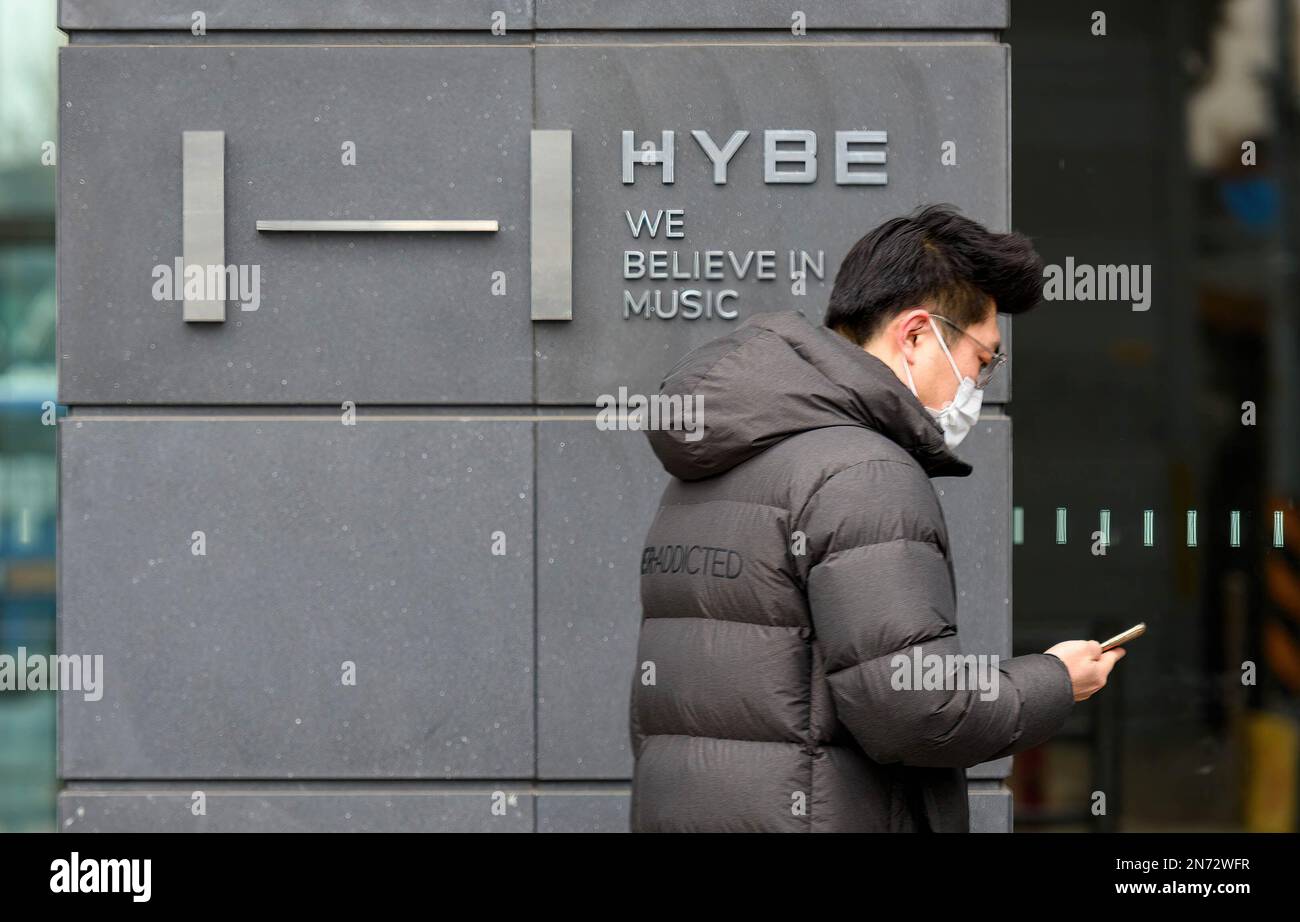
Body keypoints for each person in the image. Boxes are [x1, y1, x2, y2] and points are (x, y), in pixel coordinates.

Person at [628, 203, 1125, 832]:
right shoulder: (866, 473)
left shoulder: (710, 463)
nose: (980, 382)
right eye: (982, 359)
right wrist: (1056, 680)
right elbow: (916, 710)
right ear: (917, 335)